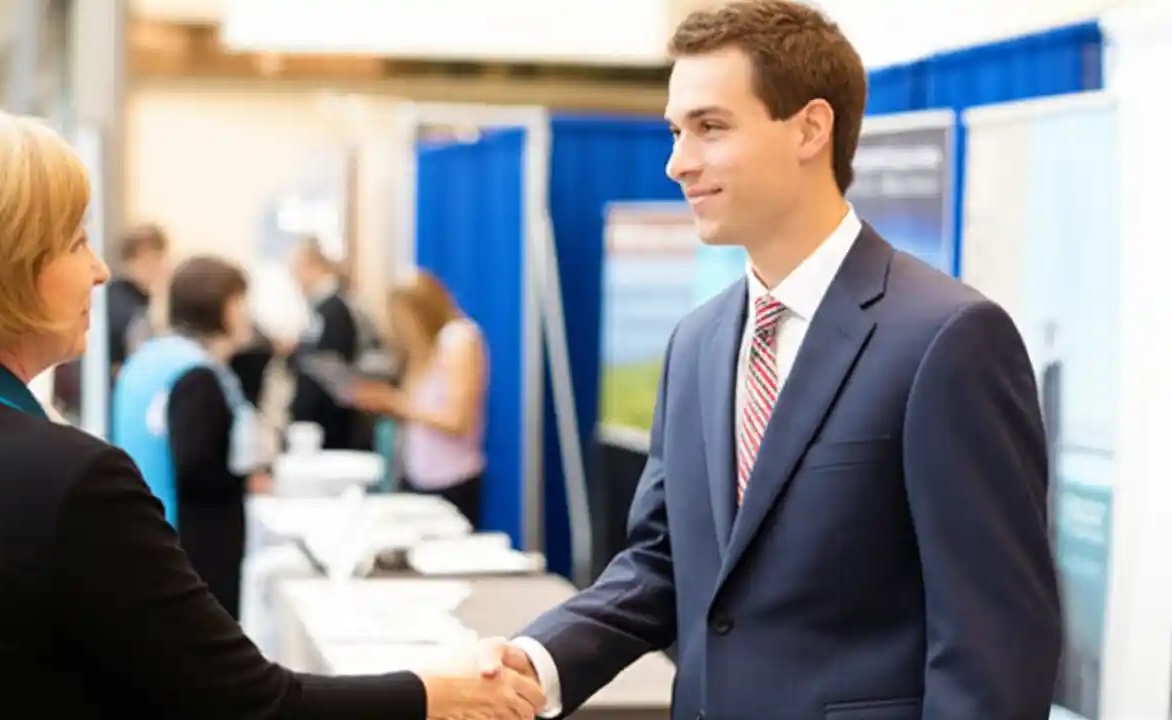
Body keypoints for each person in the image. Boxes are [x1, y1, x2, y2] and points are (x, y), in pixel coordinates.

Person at [494, 3, 1061, 718]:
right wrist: (533, 662)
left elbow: (995, 652)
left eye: (710, 126)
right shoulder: (697, 341)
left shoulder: (948, 339)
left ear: (810, 129)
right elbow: (661, 563)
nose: (677, 162)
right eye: (676, 131)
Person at [0, 104, 542, 719]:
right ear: (0, 266)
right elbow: (246, 705)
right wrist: (437, 692)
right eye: (75, 241)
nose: (99, 270)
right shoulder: (63, 479)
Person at [112, 256, 269, 620]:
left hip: (148, 538)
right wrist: (245, 481)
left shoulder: (150, 358)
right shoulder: (195, 374)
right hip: (192, 548)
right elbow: (195, 466)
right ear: (225, 307)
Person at [350, 271, 489, 528]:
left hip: (452, 479)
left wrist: (397, 404)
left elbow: (457, 420)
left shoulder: (458, 338)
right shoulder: (424, 349)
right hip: (419, 475)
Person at [287, 238, 382, 450]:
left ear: (311, 267)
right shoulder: (325, 307)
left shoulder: (334, 309)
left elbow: (331, 364)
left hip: (331, 418)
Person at [107, 222, 170, 378]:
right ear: (131, 261)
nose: (161, 268)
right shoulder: (127, 310)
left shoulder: (135, 301)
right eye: (153, 259)